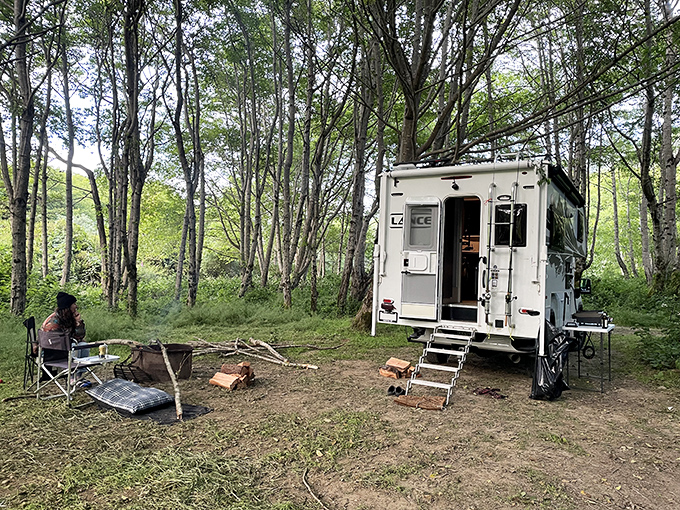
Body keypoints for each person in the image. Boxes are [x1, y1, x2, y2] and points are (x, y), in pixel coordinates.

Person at [40, 292, 90, 386]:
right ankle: (71, 377)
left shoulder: (69, 317)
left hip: (65, 346)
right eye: (74, 304)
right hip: (51, 351)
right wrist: (75, 338)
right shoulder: (53, 321)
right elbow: (55, 341)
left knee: (83, 345)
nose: (76, 306)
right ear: (67, 306)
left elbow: (80, 336)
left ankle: (79, 376)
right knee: (74, 346)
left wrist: (78, 324)